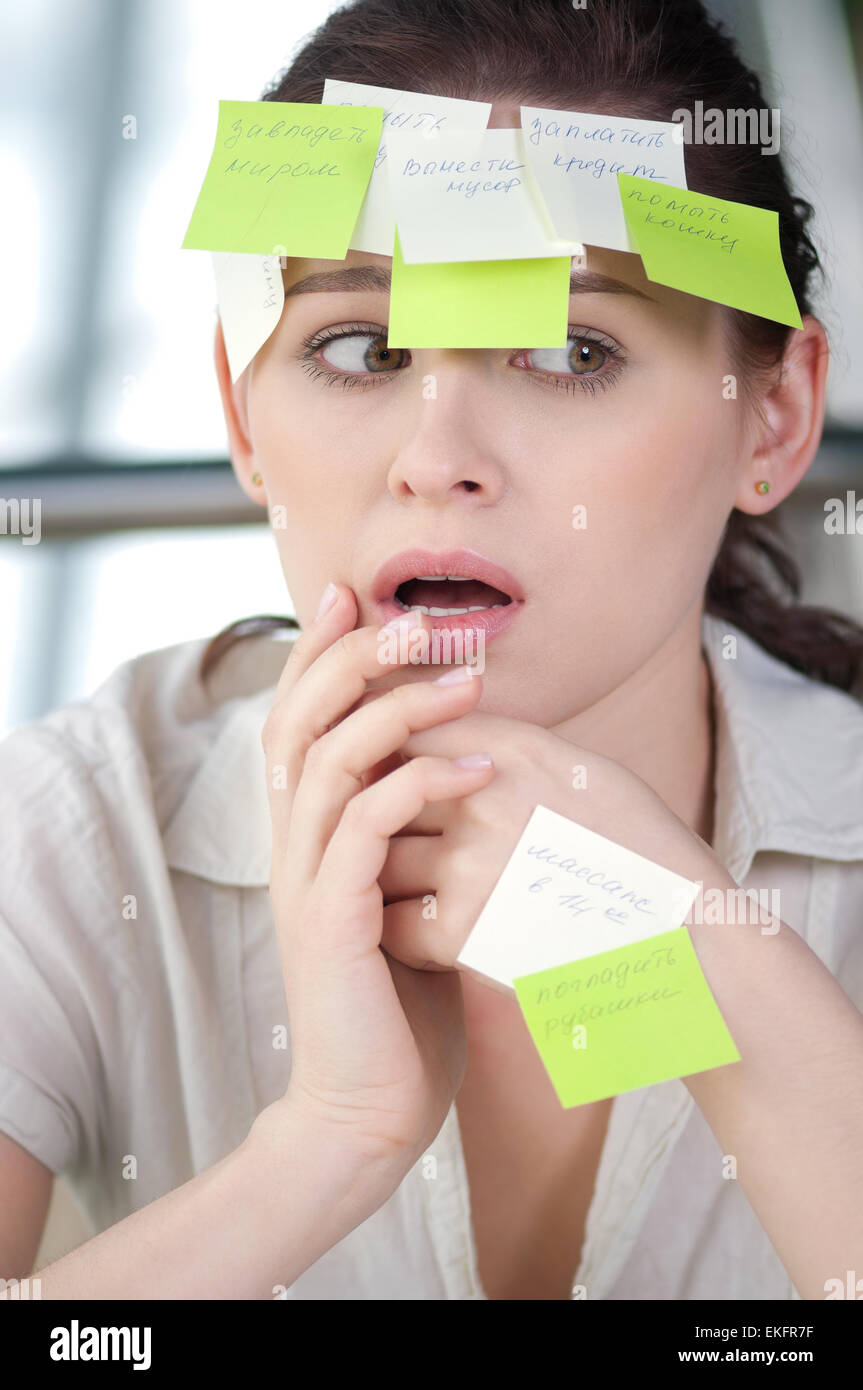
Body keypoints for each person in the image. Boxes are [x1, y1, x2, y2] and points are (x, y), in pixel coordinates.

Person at [2, 0, 863, 1302]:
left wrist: (722, 980)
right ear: (241, 409)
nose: (435, 457)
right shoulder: (75, 829)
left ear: (777, 416)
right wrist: (322, 1143)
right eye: (360, 346)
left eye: (572, 349)